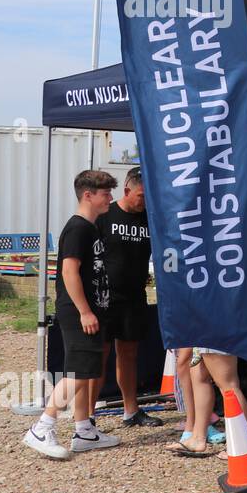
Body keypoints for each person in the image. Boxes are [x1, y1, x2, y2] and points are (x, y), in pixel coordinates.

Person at [22, 170, 120, 459]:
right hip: (79, 312)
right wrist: (85, 311)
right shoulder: (78, 228)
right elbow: (68, 271)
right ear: (87, 195)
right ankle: (42, 427)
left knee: (87, 370)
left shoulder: (91, 227)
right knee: (78, 373)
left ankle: (84, 431)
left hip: (91, 311)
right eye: (105, 193)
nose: (110, 199)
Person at [94, 167, 161, 428]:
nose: (145, 202)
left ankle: (131, 411)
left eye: (149, 197)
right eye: (142, 196)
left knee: (129, 353)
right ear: (127, 191)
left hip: (134, 297)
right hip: (105, 299)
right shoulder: (105, 216)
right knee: (99, 355)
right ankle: (87, 416)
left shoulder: (150, 219)